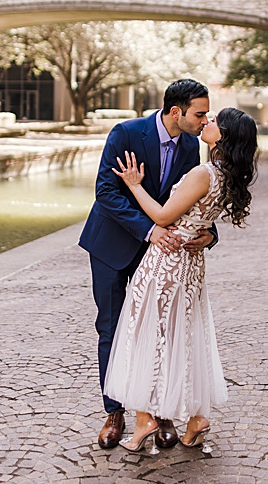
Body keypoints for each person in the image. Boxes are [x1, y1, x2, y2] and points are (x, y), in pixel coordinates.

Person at [104, 106, 259, 453]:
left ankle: (144, 420)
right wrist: (205, 235)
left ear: (226, 136)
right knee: (184, 338)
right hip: (191, 265)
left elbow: (162, 215)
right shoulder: (227, 175)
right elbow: (200, 219)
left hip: (166, 263)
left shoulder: (203, 173)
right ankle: (195, 419)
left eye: (215, 121)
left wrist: (134, 185)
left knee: (145, 334)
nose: (207, 122)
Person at [78, 79, 216, 450]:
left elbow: (189, 198)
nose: (205, 121)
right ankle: (115, 412)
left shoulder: (190, 145)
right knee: (110, 327)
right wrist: (148, 230)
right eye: (200, 114)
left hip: (159, 255)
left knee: (159, 332)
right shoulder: (126, 133)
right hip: (109, 245)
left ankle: (159, 411)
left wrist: (210, 234)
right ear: (177, 112)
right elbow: (105, 192)